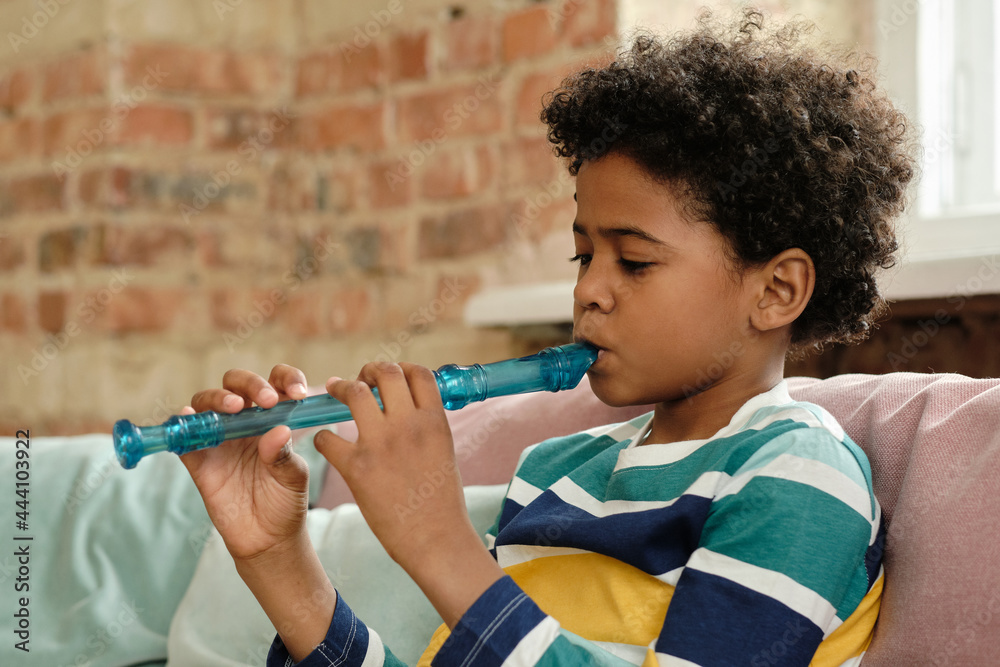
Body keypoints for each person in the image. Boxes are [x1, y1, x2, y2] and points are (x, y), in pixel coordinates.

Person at [178, 9, 915, 666]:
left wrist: (439, 544)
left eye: (634, 260)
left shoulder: (798, 472)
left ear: (776, 290)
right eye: (583, 254)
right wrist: (278, 560)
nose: (590, 288)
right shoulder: (558, 468)